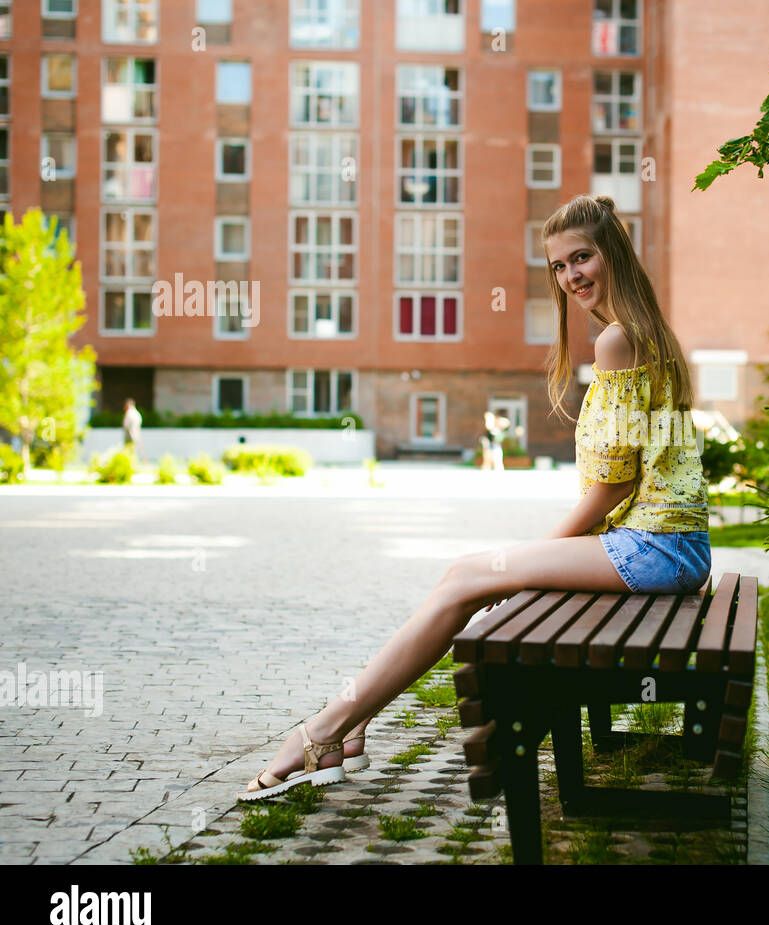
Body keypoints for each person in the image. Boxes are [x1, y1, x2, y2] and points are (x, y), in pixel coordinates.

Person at [239, 194, 712, 800]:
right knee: (467, 577)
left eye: (582, 257)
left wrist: (528, 561)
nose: (571, 277)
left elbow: (615, 484)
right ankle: (346, 727)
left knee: (468, 575)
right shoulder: (651, 335)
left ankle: (325, 730)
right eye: (559, 267)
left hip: (655, 549)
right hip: (668, 545)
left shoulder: (618, 342)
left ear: (613, 251)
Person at [122, 398, 144, 462]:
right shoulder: (136, 413)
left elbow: (126, 424)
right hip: (134, 433)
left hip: (130, 434)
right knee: (132, 449)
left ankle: (130, 462)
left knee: (129, 450)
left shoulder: (130, 413)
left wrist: (133, 430)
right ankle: (132, 461)